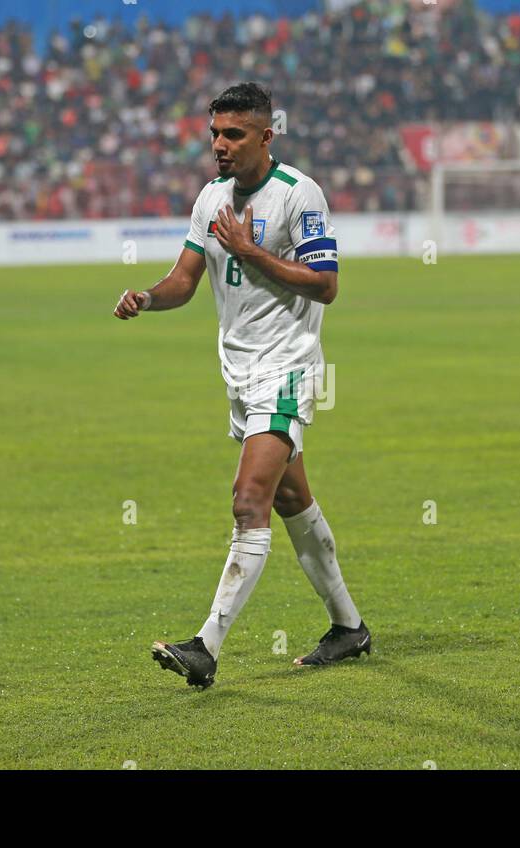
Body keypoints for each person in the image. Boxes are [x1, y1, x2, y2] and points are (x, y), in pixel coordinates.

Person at [113, 82, 369, 689]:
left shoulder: (298, 195)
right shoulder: (211, 198)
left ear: (265, 135)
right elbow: (184, 278)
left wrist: (252, 251)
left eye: (233, 134)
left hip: (287, 368)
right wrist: (148, 297)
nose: (220, 146)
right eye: (214, 135)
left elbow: (326, 283)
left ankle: (206, 645)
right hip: (239, 370)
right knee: (289, 500)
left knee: (248, 500)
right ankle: (348, 627)